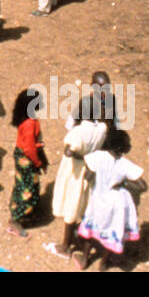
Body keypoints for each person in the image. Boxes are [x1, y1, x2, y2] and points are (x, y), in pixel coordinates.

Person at [45, 95, 108, 260]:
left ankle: (65, 246)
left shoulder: (77, 132)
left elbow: (68, 151)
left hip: (75, 170)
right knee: (82, 200)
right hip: (90, 168)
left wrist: (77, 154)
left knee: (71, 205)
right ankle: (76, 234)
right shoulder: (102, 129)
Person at [73, 129, 147, 271]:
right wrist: (124, 183)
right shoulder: (125, 164)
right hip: (117, 201)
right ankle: (103, 264)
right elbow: (142, 186)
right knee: (112, 230)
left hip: (99, 199)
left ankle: (84, 259)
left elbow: (89, 175)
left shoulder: (98, 157)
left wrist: (92, 177)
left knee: (90, 230)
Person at [8, 87, 48, 237]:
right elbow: (29, 148)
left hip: (21, 156)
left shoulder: (24, 119)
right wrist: (38, 163)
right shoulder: (30, 123)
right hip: (27, 158)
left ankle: (20, 212)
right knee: (28, 188)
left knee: (21, 184)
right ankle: (16, 220)